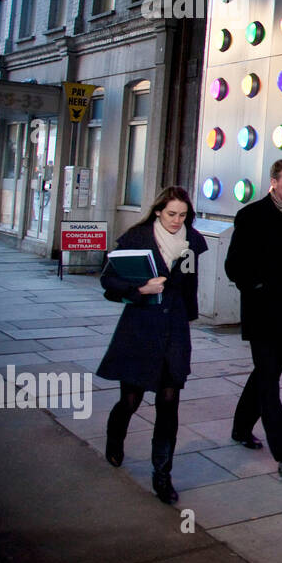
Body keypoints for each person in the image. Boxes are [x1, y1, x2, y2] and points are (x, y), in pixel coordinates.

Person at [97, 186, 208, 504]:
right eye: (171, 214)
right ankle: (115, 437)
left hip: (173, 330)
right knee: (130, 400)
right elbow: (109, 280)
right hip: (140, 328)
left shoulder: (190, 244)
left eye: (183, 215)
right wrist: (140, 289)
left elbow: (189, 282)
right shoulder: (137, 238)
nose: (177, 221)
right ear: (158, 211)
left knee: (169, 402)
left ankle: (162, 476)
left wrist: (188, 318)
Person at [225, 158, 282, 476]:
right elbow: (234, 265)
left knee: (266, 374)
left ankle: (240, 428)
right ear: (274, 182)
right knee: (268, 381)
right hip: (262, 310)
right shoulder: (250, 216)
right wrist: (257, 286)